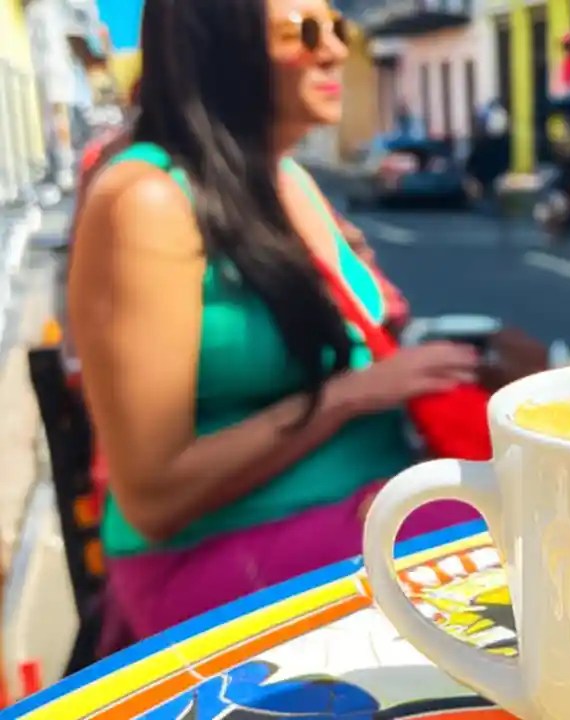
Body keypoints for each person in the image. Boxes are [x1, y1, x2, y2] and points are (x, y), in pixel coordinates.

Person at [68, 0, 485, 640]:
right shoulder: (145, 203)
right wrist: (353, 397)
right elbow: (154, 498)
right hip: (218, 558)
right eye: (305, 32)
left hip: (364, 507)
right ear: (218, 46)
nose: (336, 51)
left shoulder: (283, 177)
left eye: (338, 29)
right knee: (533, 542)